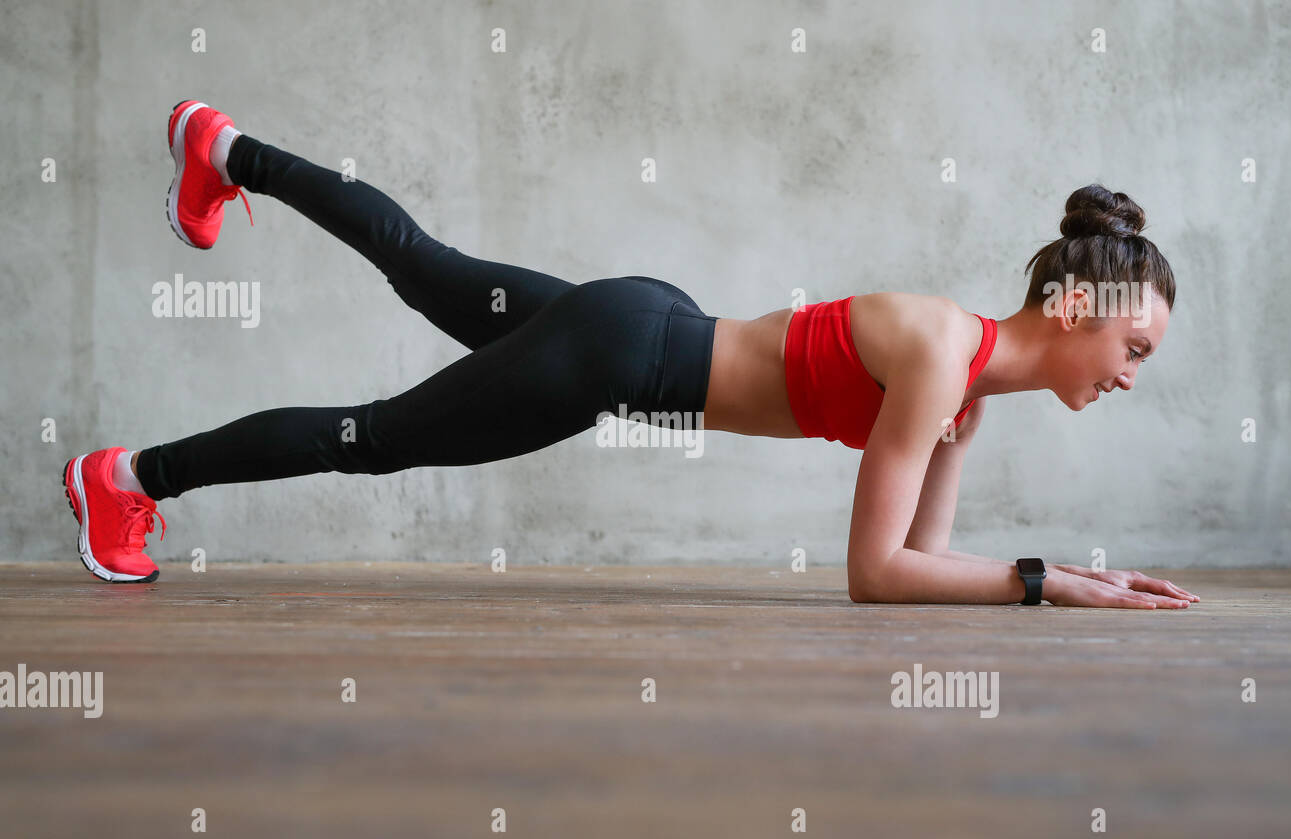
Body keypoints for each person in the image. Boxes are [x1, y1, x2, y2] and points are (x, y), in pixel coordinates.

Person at [61, 100, 1199, 610]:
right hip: (618, 362)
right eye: (1131, 345)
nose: (1128, 374)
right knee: (377, 439)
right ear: (1069, 307)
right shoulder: (941, 359)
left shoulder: (959, 380)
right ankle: (124, 481)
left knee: (420, 262)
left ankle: (225, 150)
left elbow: (924, 566)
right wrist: (1057, 584)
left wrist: (1040, 555)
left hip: (643, 323)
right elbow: (876, 578)